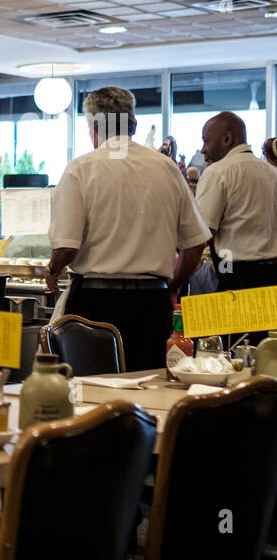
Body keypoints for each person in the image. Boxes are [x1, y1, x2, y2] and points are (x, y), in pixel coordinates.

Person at [44, 87, 209, 371]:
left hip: (95, 306)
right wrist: (174, 287)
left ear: (94, 126)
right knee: (153, 386)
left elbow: (67, 247)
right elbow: (196, 243)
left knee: (93, 394)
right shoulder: (166, 168)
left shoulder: (81, 170)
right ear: (132, 124)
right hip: (153, 302)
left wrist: (52, 270)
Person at [193, 112, 277, 305]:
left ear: (227, 139)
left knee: (236, 336)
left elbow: (201, 236)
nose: (203, 149)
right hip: (274, 280)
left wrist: (177, 278)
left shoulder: (217, 172)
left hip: (238, 280)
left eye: (206, 141)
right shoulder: (273, 173)